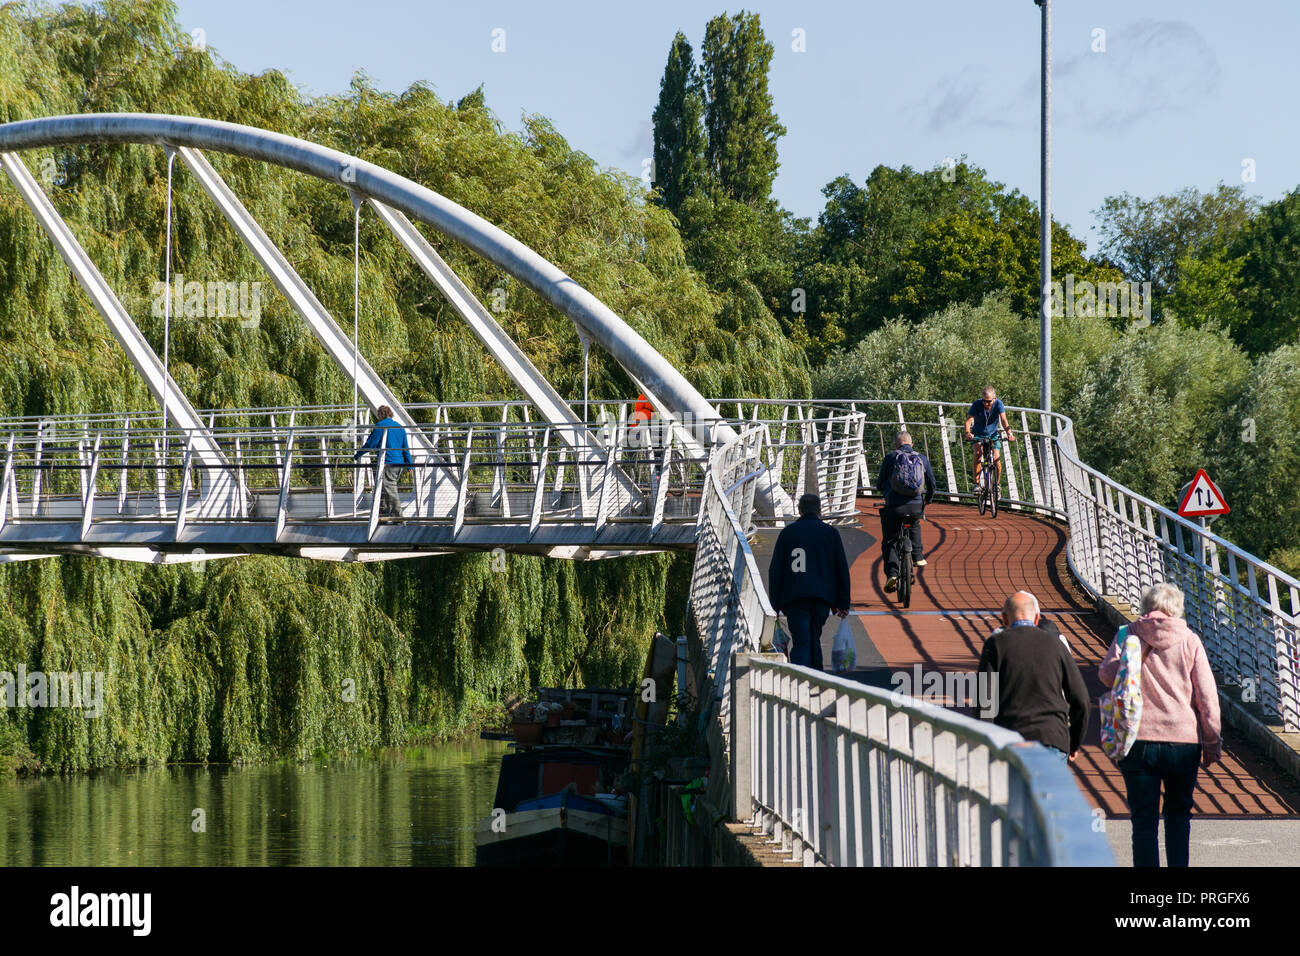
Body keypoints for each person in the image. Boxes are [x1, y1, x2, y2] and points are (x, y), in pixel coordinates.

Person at [1098, 583, 1221, 868]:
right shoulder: (1190, 640)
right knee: (1178, 816)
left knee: (1144, 819)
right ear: (1176, 608)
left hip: (1136, 738)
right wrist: (1212, 743)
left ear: (1146, 605)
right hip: (1183, 742)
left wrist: (1130, 661)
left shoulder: (1127, 634)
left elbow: (1106, 676)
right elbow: (1207, 698)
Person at [978, 590, 1090, 760]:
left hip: (1010, 737)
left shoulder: (996, 644)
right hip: (1053, 737)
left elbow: (984, 700)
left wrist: (987, 741)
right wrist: (1073, 742)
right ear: (1037, 618)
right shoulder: (1056, 644)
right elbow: (1081, 699)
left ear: (1005, 619)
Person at [767, 493, 851, 670]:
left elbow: (776, 570)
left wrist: (774, 603)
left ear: (799, 510)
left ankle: (802, 680)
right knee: (814, 638)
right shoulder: (830, 533)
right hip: (822, 596)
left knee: (801, 641)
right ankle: (817, 678)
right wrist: (843, 602)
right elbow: (841, 569)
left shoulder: (788, 533)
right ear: (820, 510)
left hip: (794, 596)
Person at [875, 430, 936, 593]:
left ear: (896, 445)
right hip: (916, 506)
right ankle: (918, 556)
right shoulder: (922, 458)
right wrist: (927, 500)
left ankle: (892, 574)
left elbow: (880, 484)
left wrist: (887, 494)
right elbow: (932, 484)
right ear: (912, 444)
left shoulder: (890, 457)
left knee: (889, 540)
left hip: (894, 506)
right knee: (914, 523)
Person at [353, 405, 413, 517]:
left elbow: (371, 444)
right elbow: (405, 447)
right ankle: (382, 515)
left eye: (378, 415)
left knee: (389, 489)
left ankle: (398, 518)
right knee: (382, 488)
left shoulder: (380, 426)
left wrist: (357, 455)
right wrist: (409, 465)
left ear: (381, 415)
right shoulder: (399, 427)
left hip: (387, 463)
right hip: (398, 464)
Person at [964, 386, 1016, 490]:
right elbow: (968, 421)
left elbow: (1004, 420)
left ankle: (997, 485)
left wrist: (1009, 433)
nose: (986, 404)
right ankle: (977, 484)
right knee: (978, 454)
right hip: (978, 434)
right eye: (984, 401)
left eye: (988, 401)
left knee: (997, 460)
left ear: (994, 399)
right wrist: (968, 433)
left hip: (993, 434)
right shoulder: (977, 404)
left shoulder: (998, 404)